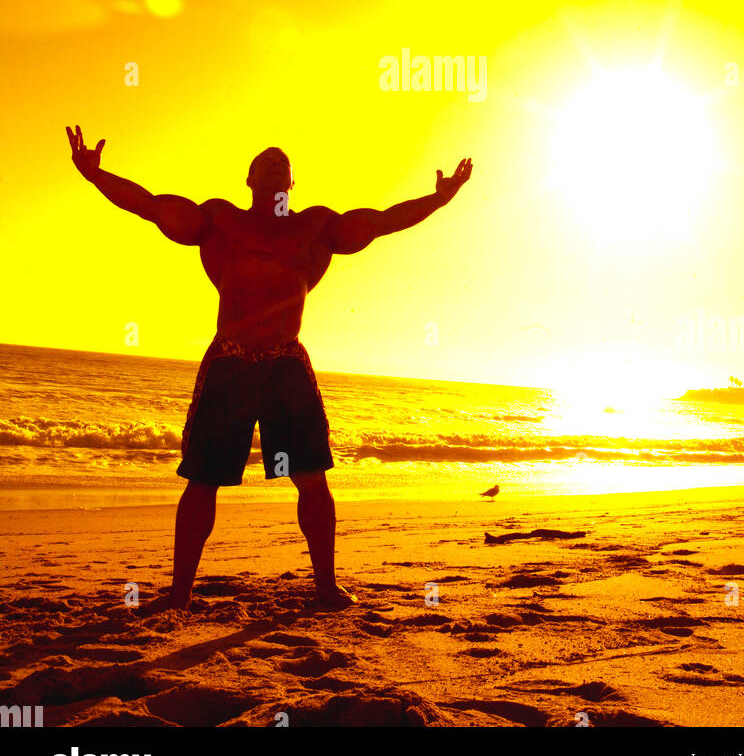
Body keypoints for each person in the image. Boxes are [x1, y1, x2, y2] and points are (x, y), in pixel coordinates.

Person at [65, 125, 472, 610]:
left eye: (284, 164)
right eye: (266, 162)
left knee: (311, 476)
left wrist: (438, 199)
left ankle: (325, 587)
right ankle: (179, 593)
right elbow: (150, 205)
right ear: (250, 178)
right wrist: (96, 176)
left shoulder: (316, 226)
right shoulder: (219, 218)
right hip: (230, 361)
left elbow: (382, 220)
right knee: (203, 479)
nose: (276, 164)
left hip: (286, 362)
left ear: (292, 184)